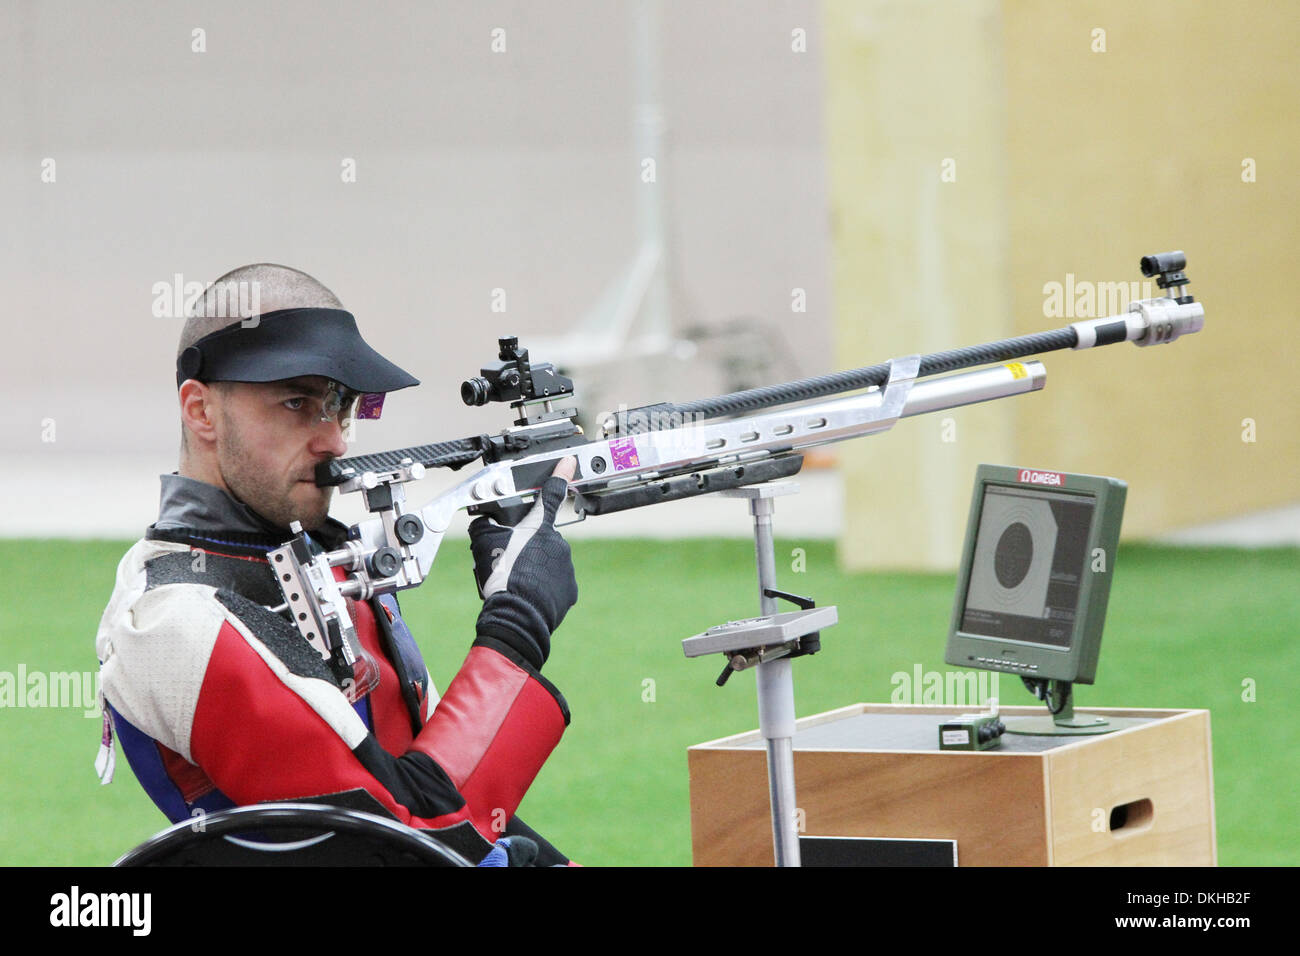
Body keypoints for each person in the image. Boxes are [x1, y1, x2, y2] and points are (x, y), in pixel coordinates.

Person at [95, 264, 578, 866]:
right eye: (298, 402)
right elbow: (416, 845)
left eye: (341, 406)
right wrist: (518, 624)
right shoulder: (172, 622)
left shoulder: (319, 562)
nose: (336, 441)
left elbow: (443, 794)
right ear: (201, 411)